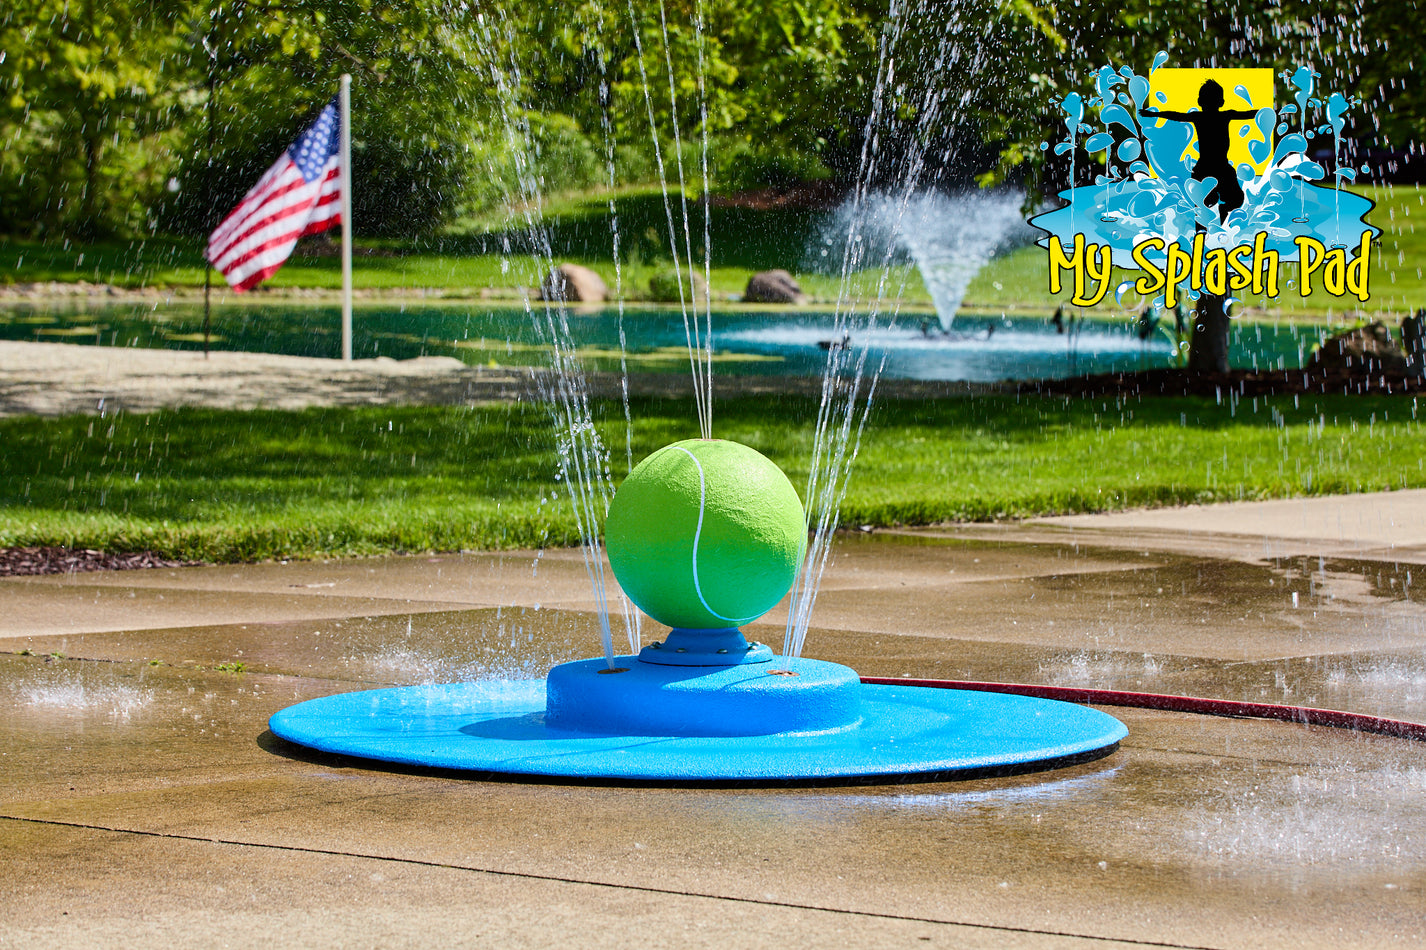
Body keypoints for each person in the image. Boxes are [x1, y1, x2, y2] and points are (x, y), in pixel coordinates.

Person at [1149, 79, 1257, 222]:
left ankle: (1202, 233)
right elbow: (1250, 114)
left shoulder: (1199, 116)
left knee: (1201, 206)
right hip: (1220, 167)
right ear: (1222, 102)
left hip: (1205, 168)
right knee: (1234, 200)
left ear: (1200, 101)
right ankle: (1221, 218)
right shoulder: (1224, 115)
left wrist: (1154, 114)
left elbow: (1176, 115)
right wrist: (1272, 113)